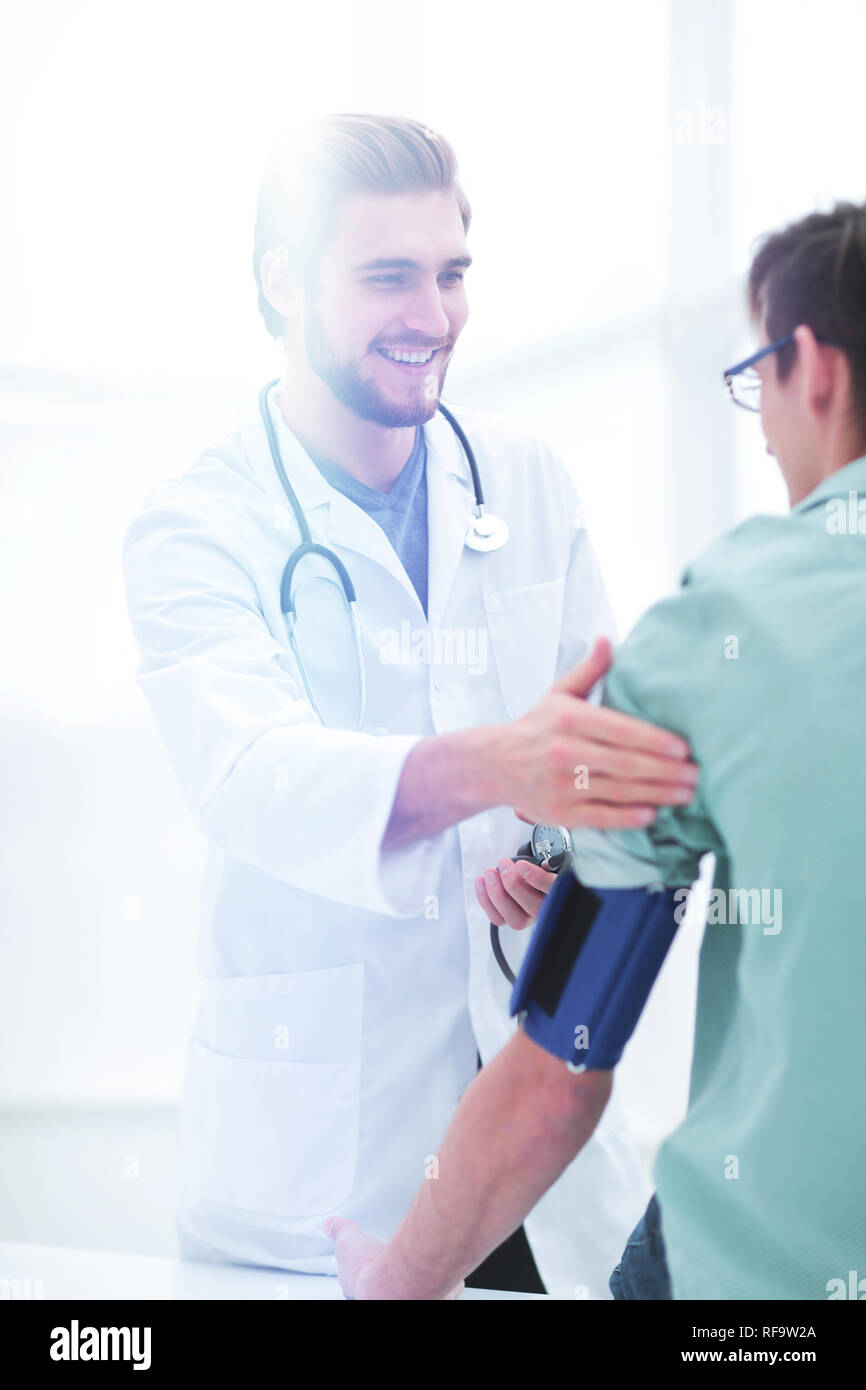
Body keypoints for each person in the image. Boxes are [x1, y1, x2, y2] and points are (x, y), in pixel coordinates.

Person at [122, 113, 700, 1297]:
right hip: (325, 1175)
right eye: (386, 276)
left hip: (534, 1148)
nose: (431, 317)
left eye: (449, 274)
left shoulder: (526, 480)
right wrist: (502, 768)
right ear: (282, 281)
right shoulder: (197, 525)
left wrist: (544, 839)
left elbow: (592, 759)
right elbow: (254, 778)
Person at [326, 198, 866, 1300]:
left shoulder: (726, 629)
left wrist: (392, 1283)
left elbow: (558, 1069)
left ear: (810, 367)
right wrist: (550, 826)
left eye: (754, 375)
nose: (759, 426)